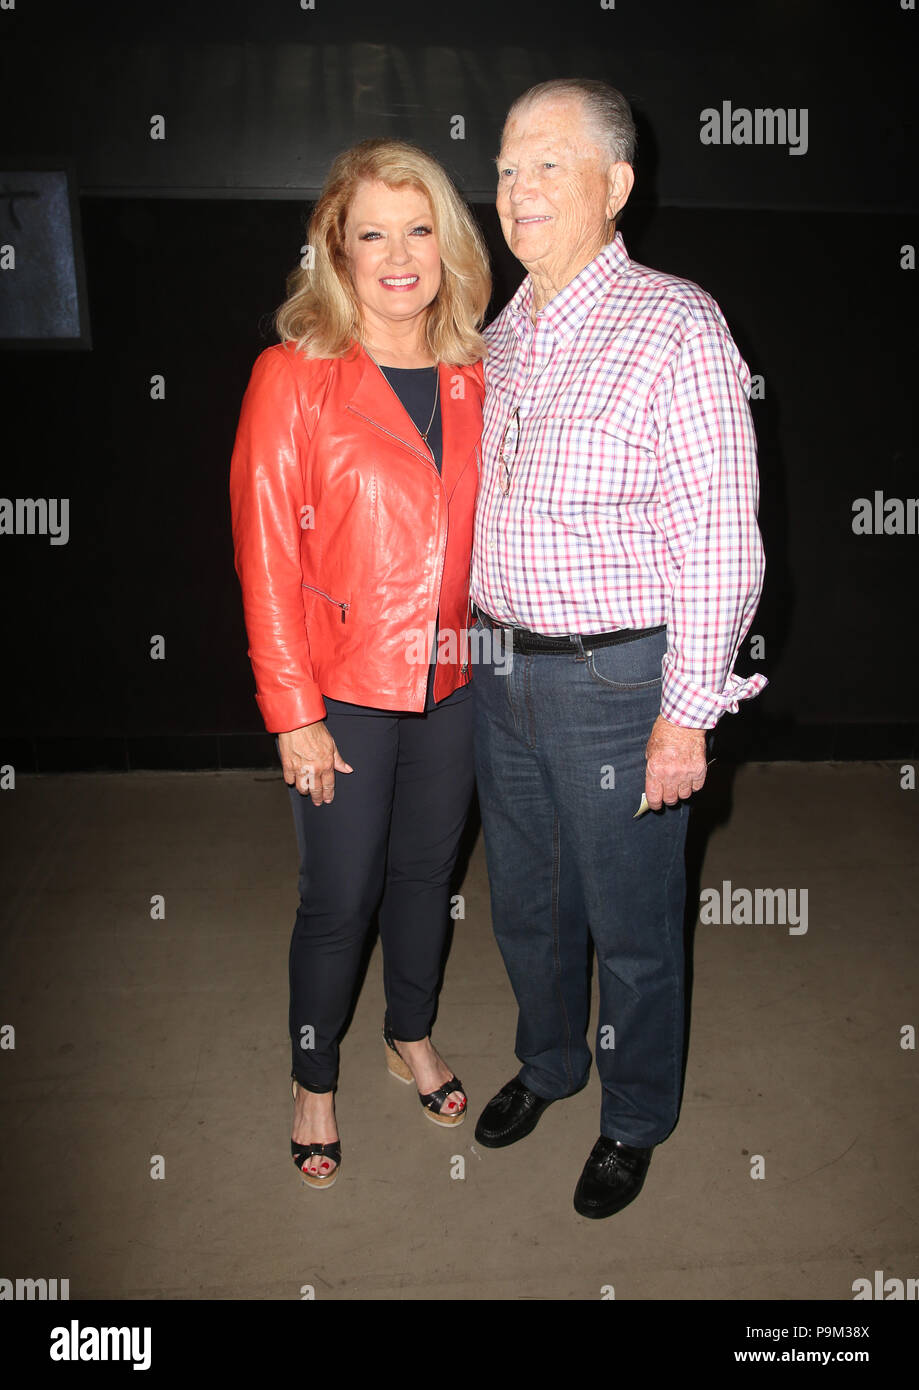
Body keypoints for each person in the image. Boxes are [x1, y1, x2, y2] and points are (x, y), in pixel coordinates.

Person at [470, 79, 767, 1218]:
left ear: (616, 184)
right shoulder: (503, 330)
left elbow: (721, 540)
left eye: (548, 163)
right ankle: (550, 1064)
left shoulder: (676, 322)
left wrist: (685, 712)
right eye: (505, 166)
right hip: (502, 669)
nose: (518, 188)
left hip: (617, 680)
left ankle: (635, 1114)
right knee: (526, 909)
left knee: (634, 927)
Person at [229, 139, 490, 1189]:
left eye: (418, 228)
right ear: (335, 250)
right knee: (339, 897)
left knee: (428, 878)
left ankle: (409, 1033)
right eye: (371, 232)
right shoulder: (293, 376)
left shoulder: (479, 375)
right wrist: (293, 712)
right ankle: (312, 1077)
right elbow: (264, 555)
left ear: (447, 245)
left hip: (460, 684)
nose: (397, 254)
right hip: (340, 691)